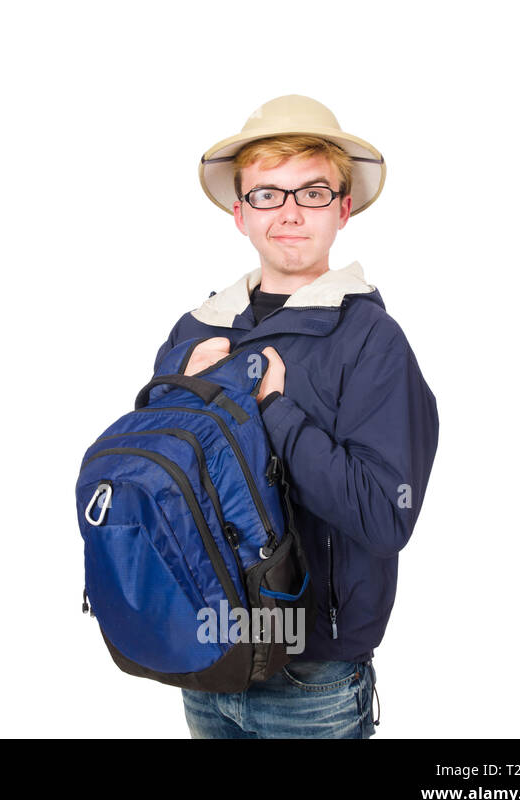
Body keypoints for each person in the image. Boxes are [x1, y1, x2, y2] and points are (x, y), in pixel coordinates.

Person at [157, 95, 439, 738]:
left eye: (312, 193)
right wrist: (183, 397)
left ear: (343, 208)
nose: (288, 212)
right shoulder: (196, 330)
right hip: (207, 654)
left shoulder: (371, 340)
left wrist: (273, 410)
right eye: (267, 194)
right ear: (239, 212)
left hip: (311, 679)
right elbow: (170, 494)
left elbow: (382, 514)